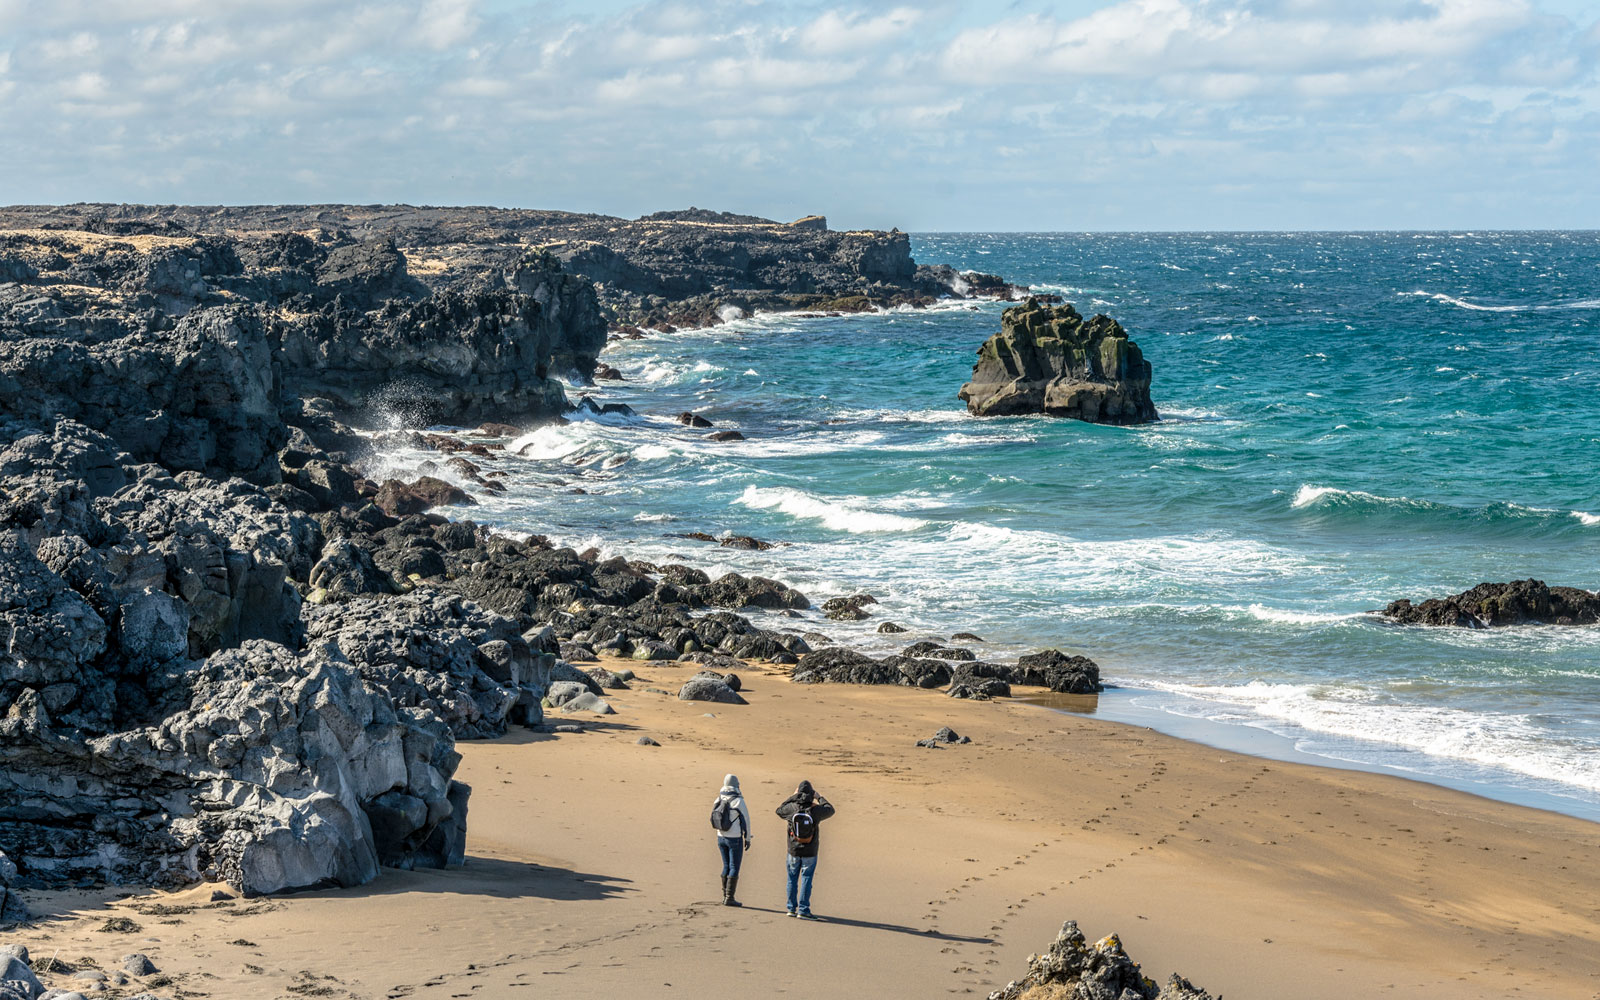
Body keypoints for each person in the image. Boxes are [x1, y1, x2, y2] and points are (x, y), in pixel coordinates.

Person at [774, 779, 835, 919]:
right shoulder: (816, 810)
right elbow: (831, 810)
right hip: (810, 851)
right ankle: (803, 909)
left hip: (793, 850)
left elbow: (779, 810)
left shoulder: (792, 808)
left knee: (792, 879)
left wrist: (793, 796)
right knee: (806, 879)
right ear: (811, 794)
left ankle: (791, 908)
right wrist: (819, 797)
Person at [710, 774, 752, 907]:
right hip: (734, 839)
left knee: (726, 866)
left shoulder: (718, 798)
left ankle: (725, 896)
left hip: (720, 837)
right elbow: (746, 821)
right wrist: (748, 838)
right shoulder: (739, 800)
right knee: (734, 867)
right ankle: (730, 897)